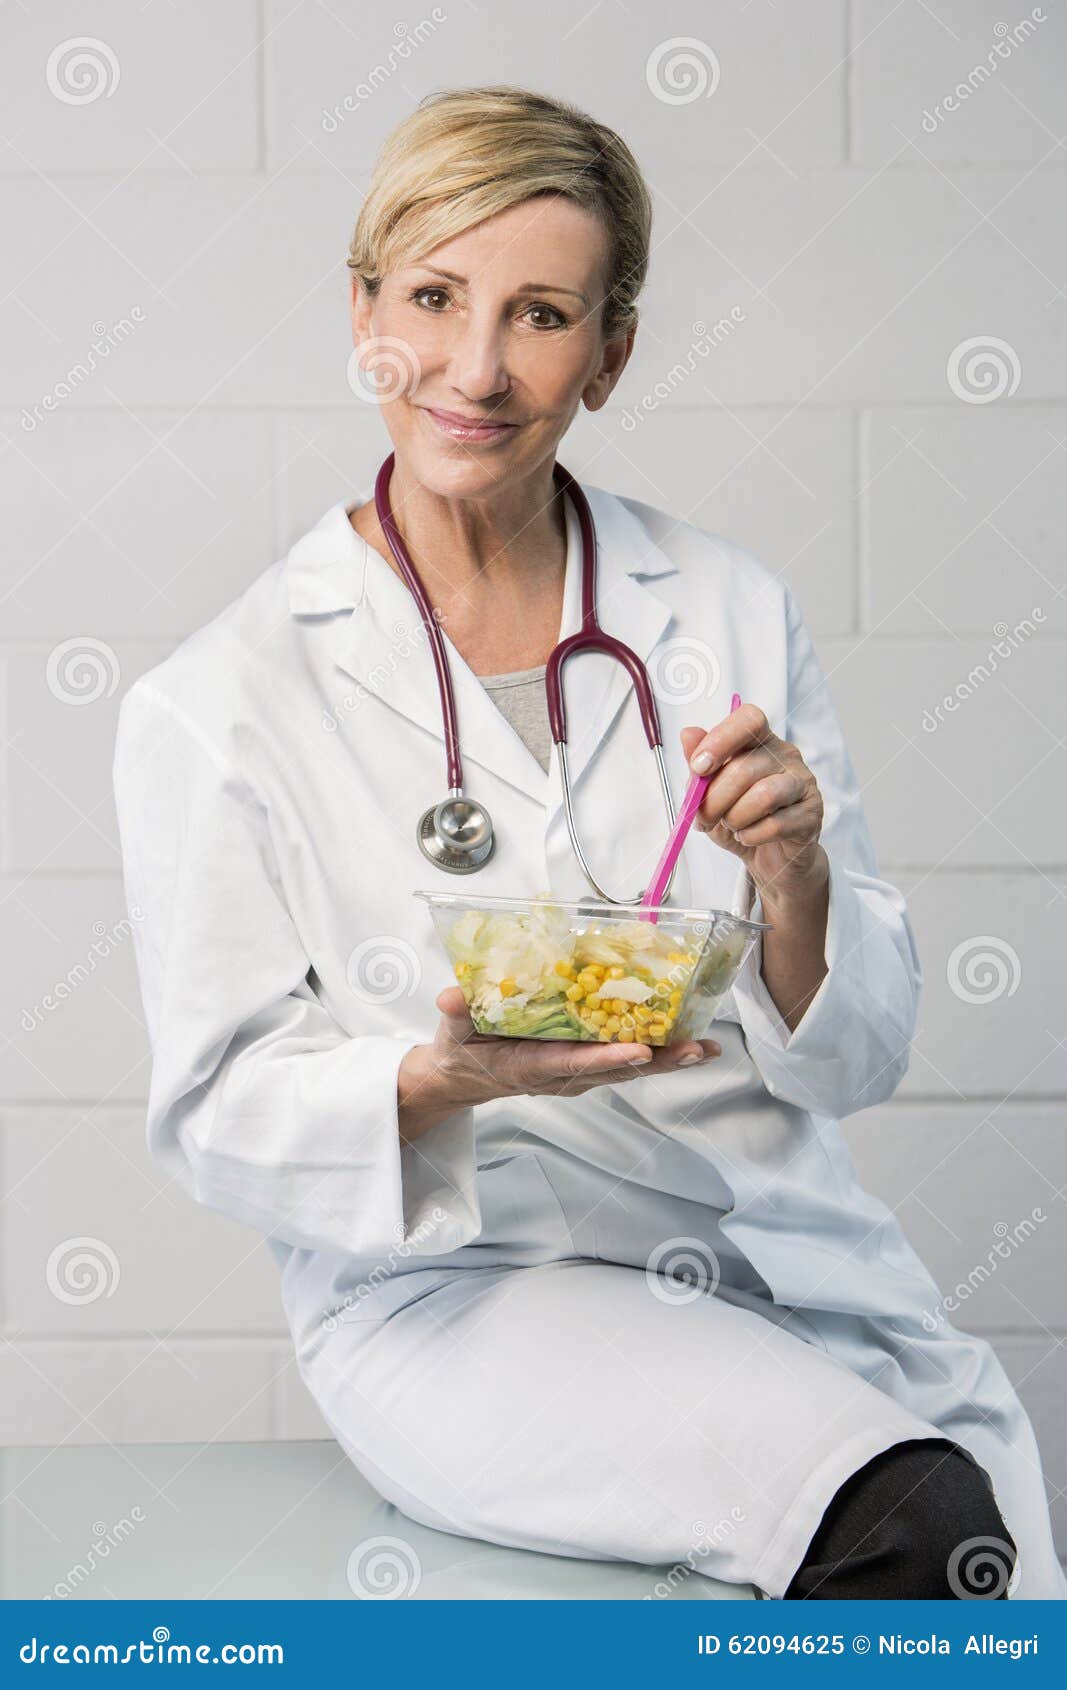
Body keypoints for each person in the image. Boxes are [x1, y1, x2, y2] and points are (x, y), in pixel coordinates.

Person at [112, 85, 1063, 1600]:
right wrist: (443, 1077)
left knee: (982, 1565)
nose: (477, 368)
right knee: (916, 1523)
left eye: (542, 314)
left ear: (610, 354)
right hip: (474, 1287)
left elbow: (861, 1057)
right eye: (433, 298)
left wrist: (796, 880)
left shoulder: (727, 606)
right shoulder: (220, 699)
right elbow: (217, 1111)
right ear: (362, 316)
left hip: (786, 1246)